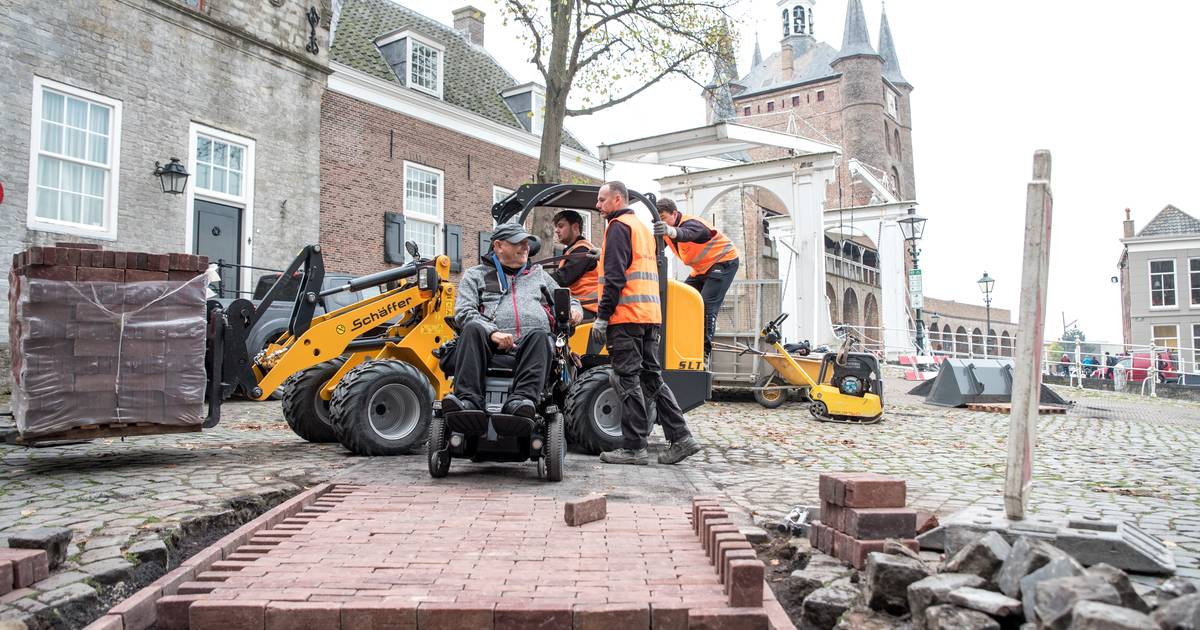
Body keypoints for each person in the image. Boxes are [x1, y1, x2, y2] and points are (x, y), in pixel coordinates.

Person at [592, 181, 701, 466]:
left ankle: (634, 447)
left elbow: (615, 277)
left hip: (625, 317)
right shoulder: (640, 226)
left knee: (626, 380)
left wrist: (602, 317)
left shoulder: (617, 227)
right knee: (651, 379)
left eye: (602, 200)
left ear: (618, 199)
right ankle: (681, 437)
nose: (598, 205)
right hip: (649, 316)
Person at [442, 222, 582, 418]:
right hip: (489, 344)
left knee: (542, 336)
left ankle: (521, 401)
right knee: (472, 327)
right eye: (519, 243)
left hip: (530, 346)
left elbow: (570, 299)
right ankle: (468, 401)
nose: (526, 248)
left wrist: (574, 310)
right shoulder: (476, 275)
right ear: (498, 246)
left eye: (527, 243)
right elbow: (464, 311)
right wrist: (493, 333)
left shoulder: (538, 275)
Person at [653, 198, 740, 359]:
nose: (660, 222)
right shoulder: (666, 231)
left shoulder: (692, 224)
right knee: (680, 301)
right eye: (657, 219)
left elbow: (686, 234)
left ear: (674, 213)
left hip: (724, 261)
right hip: (702, 268)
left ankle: (703, 353)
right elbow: (647, 249)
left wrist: (670, 231)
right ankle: (680, 343)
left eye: (663, 217)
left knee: (706, 306)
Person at [548, 210, 599, 322]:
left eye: (561, 226)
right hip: (577, 304)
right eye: (556, 227)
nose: (556, 230)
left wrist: (537, 277)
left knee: (547, 318)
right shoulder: (572, 250)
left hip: (587, 307)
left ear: (575, 227)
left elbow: (563, 278)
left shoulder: (583, 250)